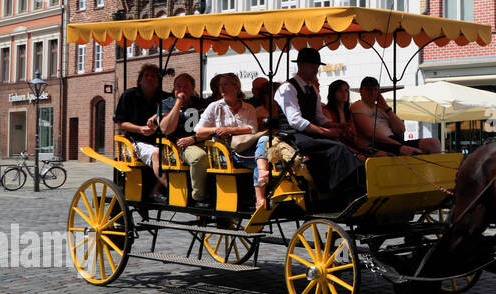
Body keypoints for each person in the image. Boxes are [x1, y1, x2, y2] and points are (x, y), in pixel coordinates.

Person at [274, 48, 362, 196]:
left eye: (317, 66)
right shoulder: (287, 88)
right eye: (313, 66)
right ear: (301, 66)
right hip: (293, 135)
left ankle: (349, 186)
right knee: (337, 148)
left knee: (345, 147)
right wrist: (326, 132)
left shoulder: (313, 89)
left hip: (309, 134)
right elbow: (296, 121)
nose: (316, 69)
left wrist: (336, 125)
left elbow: (319, 117)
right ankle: (336, 192)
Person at [180, 73, 257, 204]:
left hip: (244, 149)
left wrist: (230, 130)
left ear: (236, 86)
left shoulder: (248, 108)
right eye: (219, 85)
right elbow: (198, 130)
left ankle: (257, 196)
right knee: (258, 162)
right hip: (222, 153)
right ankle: (256, 198)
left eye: (225, 84)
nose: (221, 88)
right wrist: (216, 130)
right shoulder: (215, 106)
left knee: (262, 161)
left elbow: (253, 129)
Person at [113, 63, 168, 194]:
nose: (150, 78)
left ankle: (158, 188)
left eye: (153, 76)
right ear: (140, 79)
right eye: (147, 75)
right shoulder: (129, 95)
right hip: (134, 141)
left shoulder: (164, 97)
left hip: (160, 141)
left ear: (158, 81)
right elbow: (121, 123)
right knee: (157, 153)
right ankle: (168, 188)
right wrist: (140, 129)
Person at [351, 77, 439, 155]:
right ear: (361, 91)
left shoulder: (382, 108)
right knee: (415, 152)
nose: (372, 93)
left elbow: (401, 129)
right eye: (369, 90)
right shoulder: (358, 105)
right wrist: (395, 143)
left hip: (393, 141)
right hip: (377, 143)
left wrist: (386, 108)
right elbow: (370, 134)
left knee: (433, 143)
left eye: (375, 90)